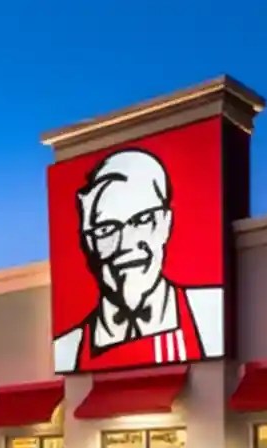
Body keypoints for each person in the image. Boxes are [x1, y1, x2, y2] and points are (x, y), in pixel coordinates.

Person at [53, 149, 222, 373]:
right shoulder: (68, 349)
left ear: (165, 224)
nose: (126, 244)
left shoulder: (211, 314)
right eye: (106, 229)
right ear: (88, 243)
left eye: (142, 220)